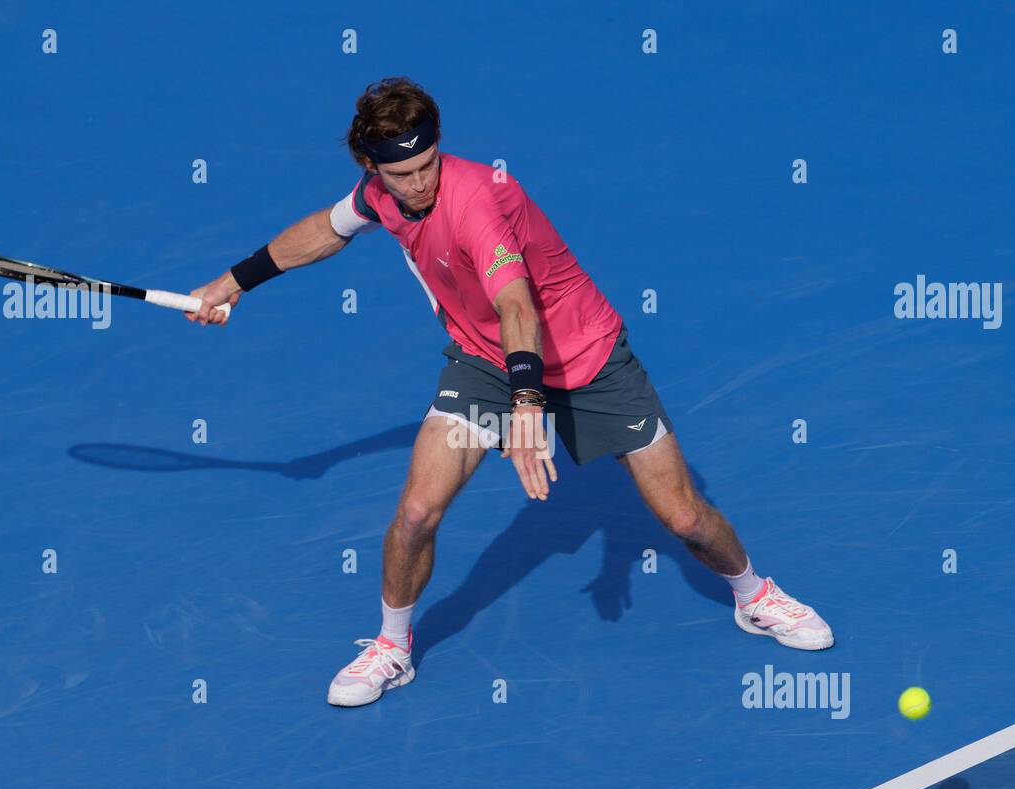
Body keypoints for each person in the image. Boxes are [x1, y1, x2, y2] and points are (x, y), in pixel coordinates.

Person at [185, 77, 834, 708]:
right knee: (416, 511)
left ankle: (755, 594)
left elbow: (516, 305)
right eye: (400, 174)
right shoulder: (381, 193)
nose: (418, 184)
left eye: (428, 165)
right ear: (371, 166)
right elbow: (327, 229)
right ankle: (391, 644)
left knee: (685, 517)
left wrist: (527, 407)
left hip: (586, 356)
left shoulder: (476, 201)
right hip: (484, 362)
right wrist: (232, 283)